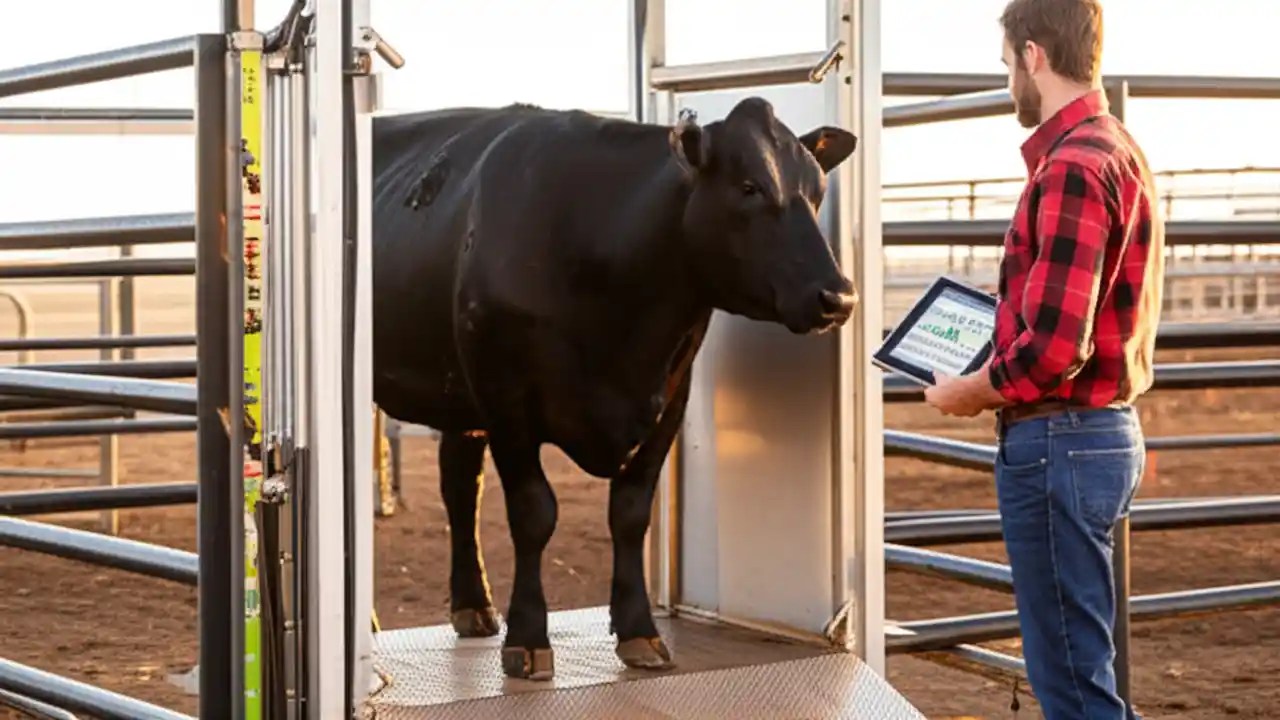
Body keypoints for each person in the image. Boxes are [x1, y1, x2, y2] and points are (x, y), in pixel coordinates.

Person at [922, 1, 1164, 718]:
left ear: (1034, 55)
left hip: (1060, 440)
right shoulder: (1118, 148)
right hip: (1097, 434)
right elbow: (1071, 311)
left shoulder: (1071, 168)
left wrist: (973, 390)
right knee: (1083, 668)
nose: (1008, 84)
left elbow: (1057, 347)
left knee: (1072, 686)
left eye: (1007, 65)